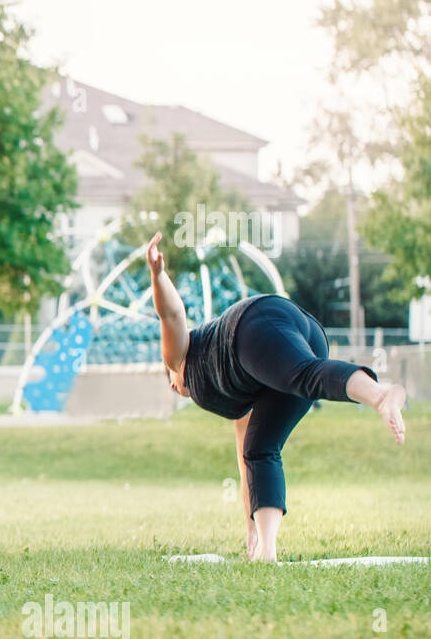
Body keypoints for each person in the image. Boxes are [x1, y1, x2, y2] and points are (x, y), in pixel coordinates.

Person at [146, 231, 407, 561]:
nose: (172, 384)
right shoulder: (235, 400)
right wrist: (249, 529)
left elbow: (172, 315)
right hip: (306, 334)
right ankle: (265, 550)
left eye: (169, 378)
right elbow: (246, 466)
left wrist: (158, 274)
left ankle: (380, 394)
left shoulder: (180, 358)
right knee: (260, 450)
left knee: (303, 375)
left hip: (255, 322)